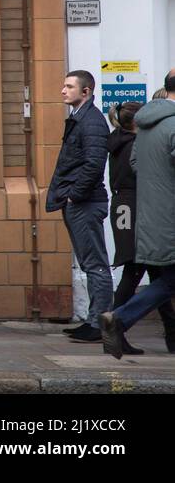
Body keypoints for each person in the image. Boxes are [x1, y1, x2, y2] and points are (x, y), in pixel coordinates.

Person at [100, 75, 175, 358]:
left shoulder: (144, 128)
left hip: (150, 215)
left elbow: (135, 164)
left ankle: (122, 320)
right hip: (165, 216)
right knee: (164, 279)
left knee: (165, 279)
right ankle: (119, 318)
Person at [47, 70, 111, 342]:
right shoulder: (79, 118)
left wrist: (74, 194)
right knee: (89, 262)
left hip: (85, 202)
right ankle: (93, 320)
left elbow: (94, 163)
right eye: (63, 85)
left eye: (69, 86)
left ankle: (99, 325)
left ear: (86, 92)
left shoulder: (92, 121)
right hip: (78, 201)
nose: (63, 91)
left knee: (95, 263)